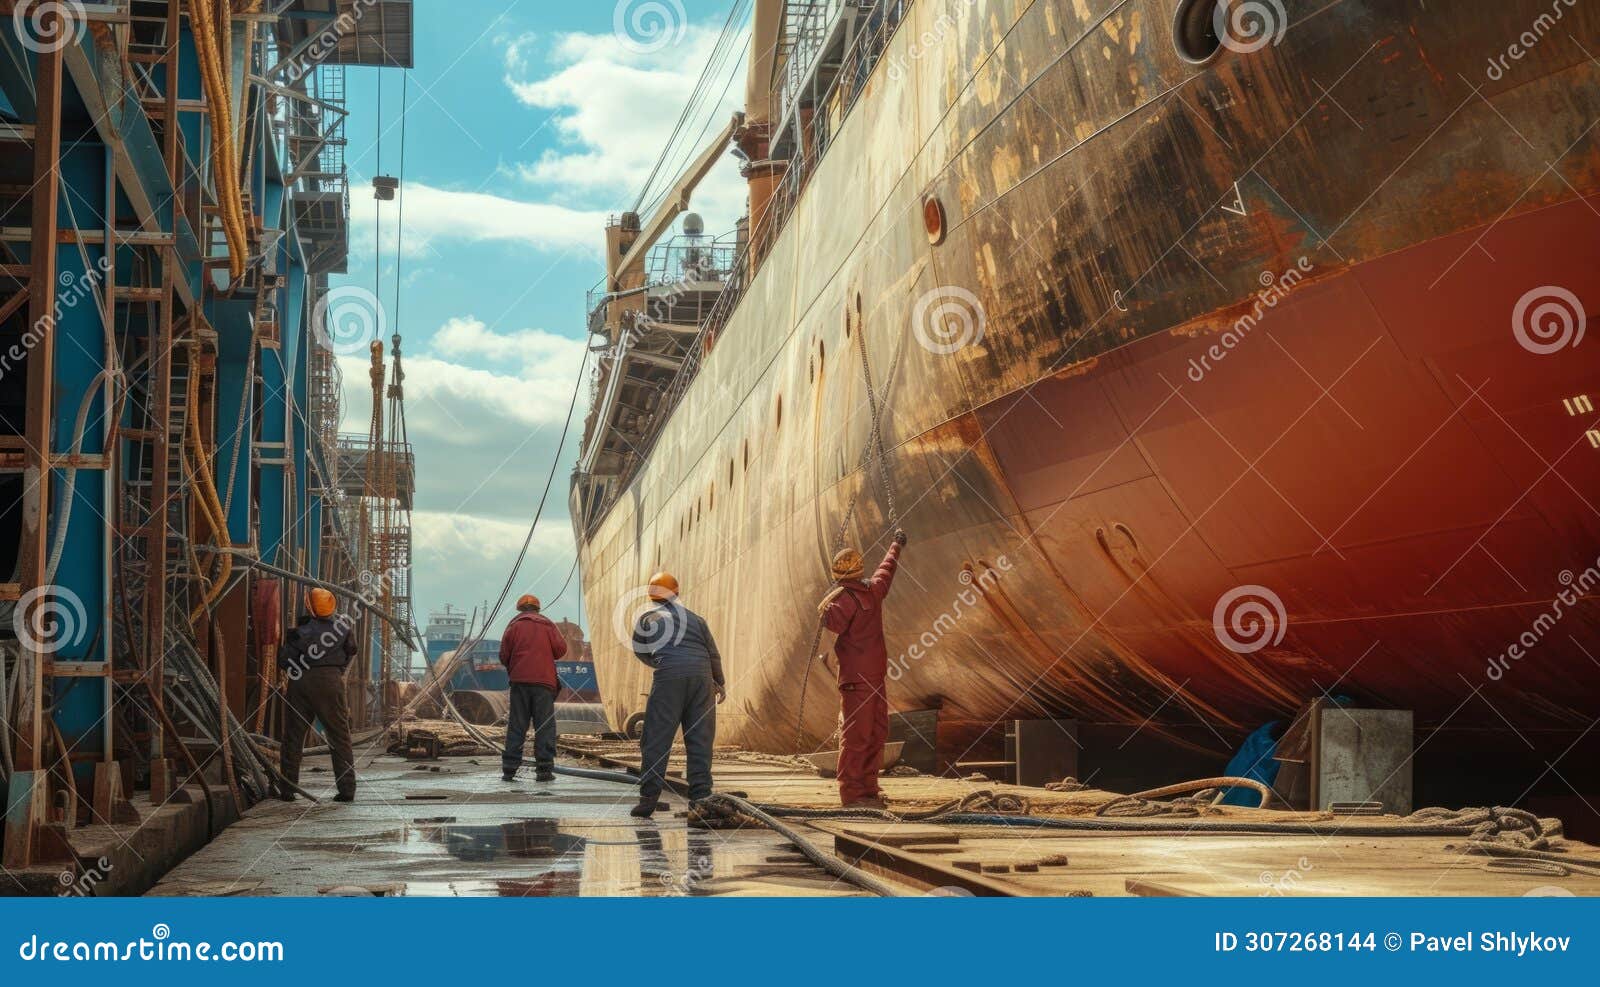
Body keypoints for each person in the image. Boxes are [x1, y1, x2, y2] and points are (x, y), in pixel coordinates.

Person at [820, 529, 906, 808]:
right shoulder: (872, 591)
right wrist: (896, 545)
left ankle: (867, 789)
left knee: (868, 734)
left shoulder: (842, 599)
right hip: (864, 679)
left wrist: (827, 606)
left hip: (864, 680)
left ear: (837, 574)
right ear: (859, 569)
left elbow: (833, 624)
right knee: (867, 734)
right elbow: (886, 570)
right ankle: (853, 794)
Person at [630, 571, 726, 818]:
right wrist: (719, 682)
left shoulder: (647, 619)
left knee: (657, 738)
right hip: (703, 680)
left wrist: (662, 662)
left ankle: (648, 799)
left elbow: (640, 651)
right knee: (700, 740)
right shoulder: (697, 620)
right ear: (677, 593)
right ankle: (701, 799)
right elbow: (713, 653)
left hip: (669, 679)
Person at [277, 587, 358, 802]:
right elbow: (352, 651)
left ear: (309, 606)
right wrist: (336, 669)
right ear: (331, 606)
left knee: (294, 736)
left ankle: (287, 790)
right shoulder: (343, 629)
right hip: (331, 682)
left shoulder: (299, 633)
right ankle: (347, 790)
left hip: (301, 682)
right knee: (339, 736)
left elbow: (283, 661)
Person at [498, 593, 569, 782]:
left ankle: (509, 769)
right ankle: (544, 770)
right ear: (538, 609)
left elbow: (504, 655)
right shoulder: (548, 625)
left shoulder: (513, 626)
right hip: (544, 684)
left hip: (520, 682)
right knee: (544, 726)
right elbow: (561, 650)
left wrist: (516, 666)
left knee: (517, 724)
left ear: (520, 609)